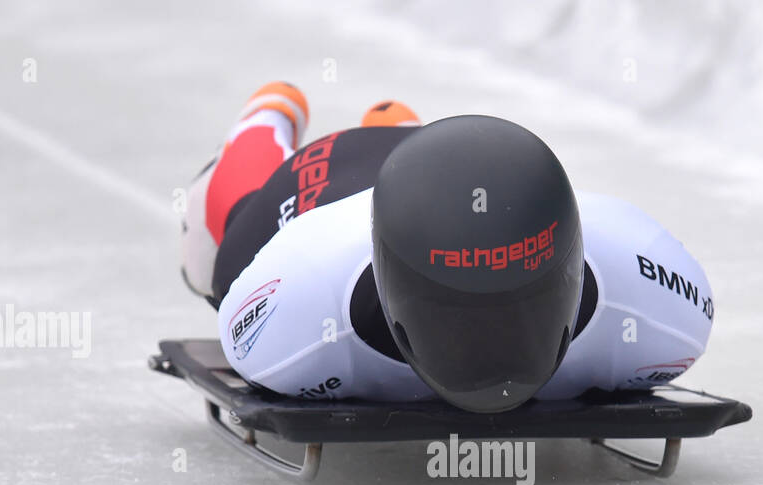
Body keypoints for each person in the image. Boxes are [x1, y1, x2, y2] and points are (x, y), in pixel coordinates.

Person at [179, 83, 715, 412]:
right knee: (217, 256)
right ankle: (266, 119)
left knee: (438, 167)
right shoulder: (290, 311)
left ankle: (398, 127)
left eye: (522, 307)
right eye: (457, 320)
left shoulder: (659, 300)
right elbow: (243, 311)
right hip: (320, 184)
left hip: (439, 170)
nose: (492, 362)